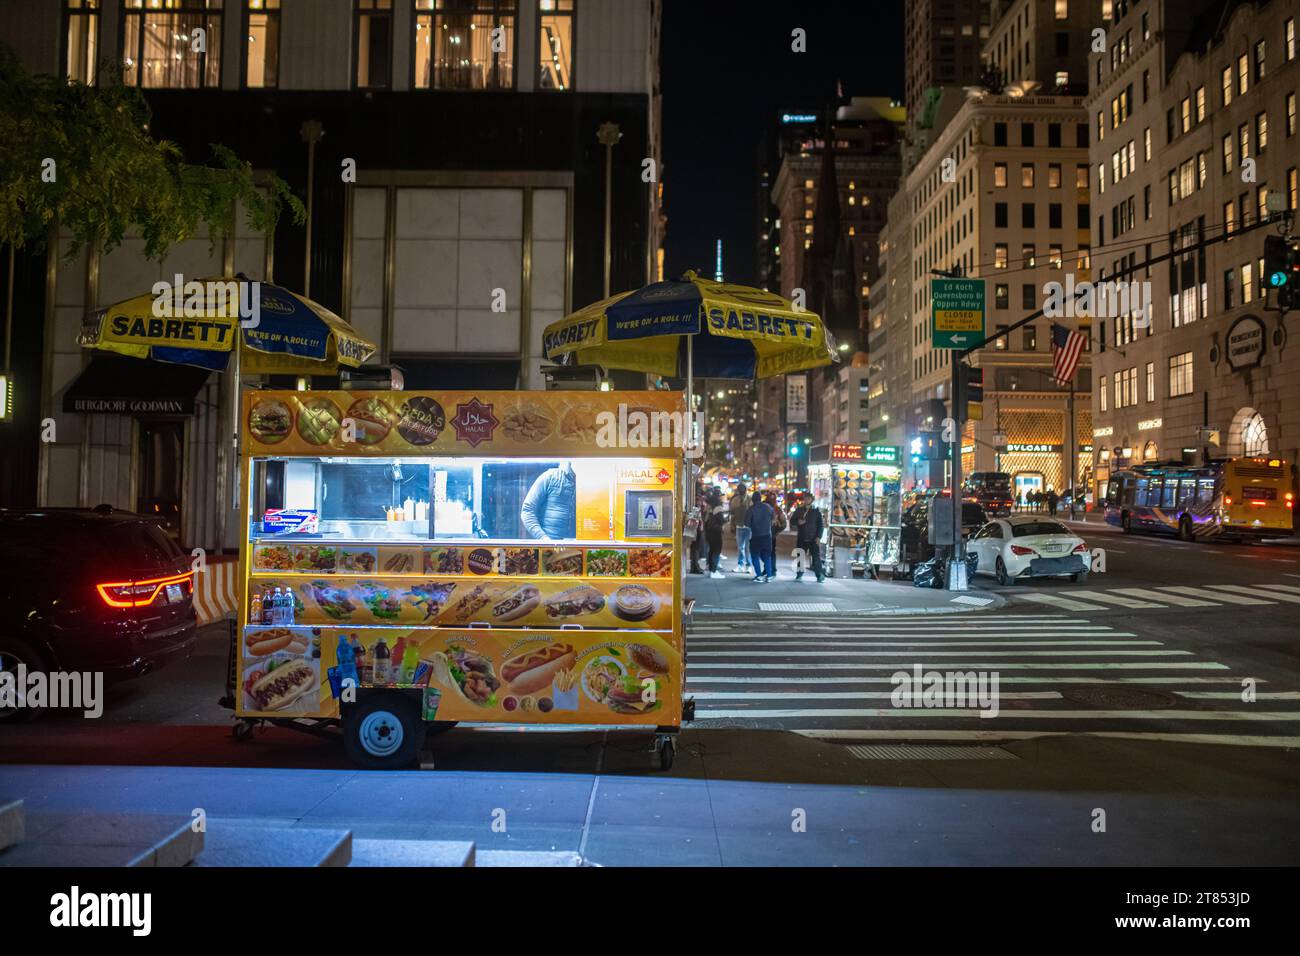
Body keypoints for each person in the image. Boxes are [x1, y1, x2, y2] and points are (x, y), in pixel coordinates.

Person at [521, 461, 576, 540]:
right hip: (548, 547)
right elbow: (527, 510)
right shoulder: (550, 477)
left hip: (581, 547)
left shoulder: (589, 482)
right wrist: (543, 538)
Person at [793, 493, 825, 582]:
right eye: (806, 498)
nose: (807, 500)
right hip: (802, 537)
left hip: (813, 538)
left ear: (812, 500)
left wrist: (819, 537)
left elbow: (820, 525)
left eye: (809, 499)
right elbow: (792, 521)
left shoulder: (816, 511)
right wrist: (798, 522)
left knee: (816, 557)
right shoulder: (799, 510)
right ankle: (799, 574)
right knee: (800, 556)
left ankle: (819, 575)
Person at [745, 490, 775, 582]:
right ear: (760, 498)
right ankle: (769, 576)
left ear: (753, 500)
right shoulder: (768, 507)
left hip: (756, 536)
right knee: (767, 556)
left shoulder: (751, 509)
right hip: (767, 536)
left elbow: (746, 523)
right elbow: (773, 519)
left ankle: (759, 575)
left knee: (754, 556)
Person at [705, 487, 727, 578]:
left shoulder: (709, 504)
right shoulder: (718, 505)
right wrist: (726, 519)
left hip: (709, 530)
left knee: (711, 550)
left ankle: (711, 570)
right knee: (717, 550)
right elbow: (720, 519)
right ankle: (714, 571)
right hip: (716, 530)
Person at [730, 482, 751, 573]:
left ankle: (748, 565)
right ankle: (740, 564)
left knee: (747, 548)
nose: (741, 491)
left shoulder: (750, 499)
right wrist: (732, 525)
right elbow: (732, 514)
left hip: (748, 527)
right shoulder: (735, 500)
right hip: (739, 526)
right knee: (740, 548)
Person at [765, 490, 786, 577]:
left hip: (770, 534)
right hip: (765, 533)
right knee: (766, 552)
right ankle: (768, 569)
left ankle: (771, 569)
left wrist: (777, 532)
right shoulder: (765, 507)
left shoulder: (777, 509)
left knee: (770, 552)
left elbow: (784, 523)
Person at [688, 479, 706, 574]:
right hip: (696, 525)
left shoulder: (693, 497)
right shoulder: (696, 498)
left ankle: (694, 566)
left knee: (695, 547)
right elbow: (698, 511)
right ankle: (695, 566)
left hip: (695, 524)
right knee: (696, 547)